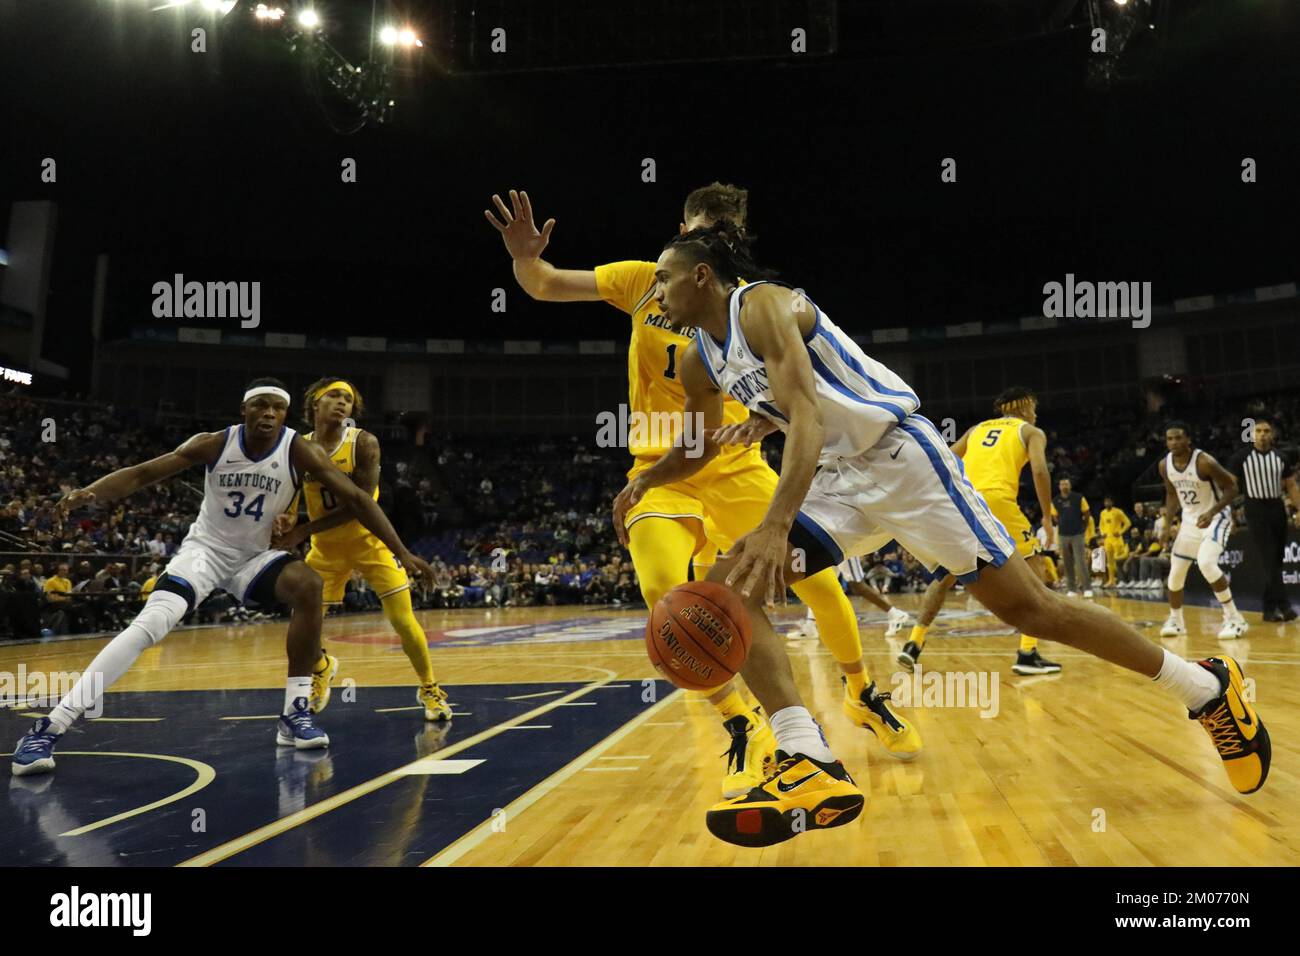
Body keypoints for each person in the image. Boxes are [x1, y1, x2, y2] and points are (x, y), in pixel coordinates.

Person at [614, 225, 1269, 846]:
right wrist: (646, 480)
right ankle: (808, 756)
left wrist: (775, 522)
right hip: (840, 478)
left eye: (665, 280)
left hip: (901, 460)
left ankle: (1207, 687)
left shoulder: (761, 306)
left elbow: (808, 416)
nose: (656, 294)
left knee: (1030, 609)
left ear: (704, 276)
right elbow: (698, 449)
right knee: (729, 586)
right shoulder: (699, 362)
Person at [486, 184, 916, 800]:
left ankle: (861, 694)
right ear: (682, 229)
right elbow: (546, 284)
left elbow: (797, 386)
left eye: (723, 230)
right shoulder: (646, 280)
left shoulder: (756, 303)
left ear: (736, 240)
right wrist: (525, 259)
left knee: (821, 580)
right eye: (699, 227)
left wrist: (767, 420)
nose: (709, 238)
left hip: (735, 464)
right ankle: (740, 721)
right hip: (662, 463)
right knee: (664, 589)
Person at [11, 378, 435, 777]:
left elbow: (359, 499)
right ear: (245, 410)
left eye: (277, 407)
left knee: (308, 586)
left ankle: (294, 713)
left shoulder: (298, 451)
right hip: (205, 553)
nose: (268, 413)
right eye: (260, 405)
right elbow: (143, 474)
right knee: (149, 626)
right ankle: (49, 728)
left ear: (286, 415)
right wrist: (90, 492)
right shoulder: (214, 443)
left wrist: (403, 552)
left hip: (255, 557)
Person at [273, 378, 452, 722]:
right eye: (334, 396)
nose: (343, 403)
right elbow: (292, 495)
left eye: (348, 399)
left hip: (370, 544)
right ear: (314, 404)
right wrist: (284, 519)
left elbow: (359, 505)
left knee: (404, 621)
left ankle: (429, 688)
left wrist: (303, 530)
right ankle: (322, 667)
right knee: (302, 627)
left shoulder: (363, 443)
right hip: (324, 550)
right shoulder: (298, 447)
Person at [898, 387, 1062, 676]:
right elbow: (1039, 471)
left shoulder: (976, 430)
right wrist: (1047, 517)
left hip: (964, 501)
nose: (1035, 413)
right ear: (1023, 408)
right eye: (1033, 408)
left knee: (947, 575)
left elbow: (944, 458)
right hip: (997, 501)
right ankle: (1027, 651)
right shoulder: (1031, 432)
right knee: (1035, 570)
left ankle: (913, 643)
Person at [1157, 422, 1248, 640]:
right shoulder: (1164, 465)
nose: (1174, 442)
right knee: (1175, 574)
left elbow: (1233, 487)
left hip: (1217, 517)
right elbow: (1171, 495)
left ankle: (1235, 619)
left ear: (1188, 439)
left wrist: (1213, 511)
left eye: (1178, 438)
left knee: (1207, 563)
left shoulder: (1204, 462)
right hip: (1190, 522)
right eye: (1170, 439)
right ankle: (1177, 621)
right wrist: (1167, 524)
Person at [1228, 415, 1300, 621]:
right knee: (1269, 558)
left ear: (1273, 434)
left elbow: (1292, 486)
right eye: (1258, 431)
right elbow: (1230, 488)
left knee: (1276, 559)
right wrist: (1230, 514)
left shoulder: (1281, 457)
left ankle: (1268, 610)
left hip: (1277, 507)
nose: (1262, 435)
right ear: (1251, 435)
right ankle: (1285, 606)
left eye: (1266, 431)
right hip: (1254, 508)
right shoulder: (1240, 458)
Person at [790, 553, 913, 640]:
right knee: (819, 587)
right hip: (830, 543)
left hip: (843, 544)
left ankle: (895, 614)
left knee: (857, 586)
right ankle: (810, 627)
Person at [1053, 478, 1093, 597]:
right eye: (1062, 484)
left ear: (1070, 485)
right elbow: (1054, 517)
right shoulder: (1055, 500)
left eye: (1066, 484)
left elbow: (1087, 514)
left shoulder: (1079, 498)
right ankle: (1072, 588)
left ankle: (1087, 588)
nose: (1064, 486)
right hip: (1063, 534)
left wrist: (1083, 526)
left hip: (1077, 534)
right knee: (1067, 562)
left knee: (1080, 561)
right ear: (1059, 486)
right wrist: (1062, 523)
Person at [1097, 496, 1132, 588]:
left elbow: (1128, 523)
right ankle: (1111, 580)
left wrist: (1120, 532)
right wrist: (1102, 532)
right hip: (1107, 540)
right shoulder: (1103, 513)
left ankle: (1122, 580)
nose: (1107, 503)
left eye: (1109, 502)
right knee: (1110, 562)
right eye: (1106, 502)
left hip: (1117, 540)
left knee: (1118, 561)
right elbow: (1101, 525)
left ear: (1112, 502)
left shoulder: (1118, 512)